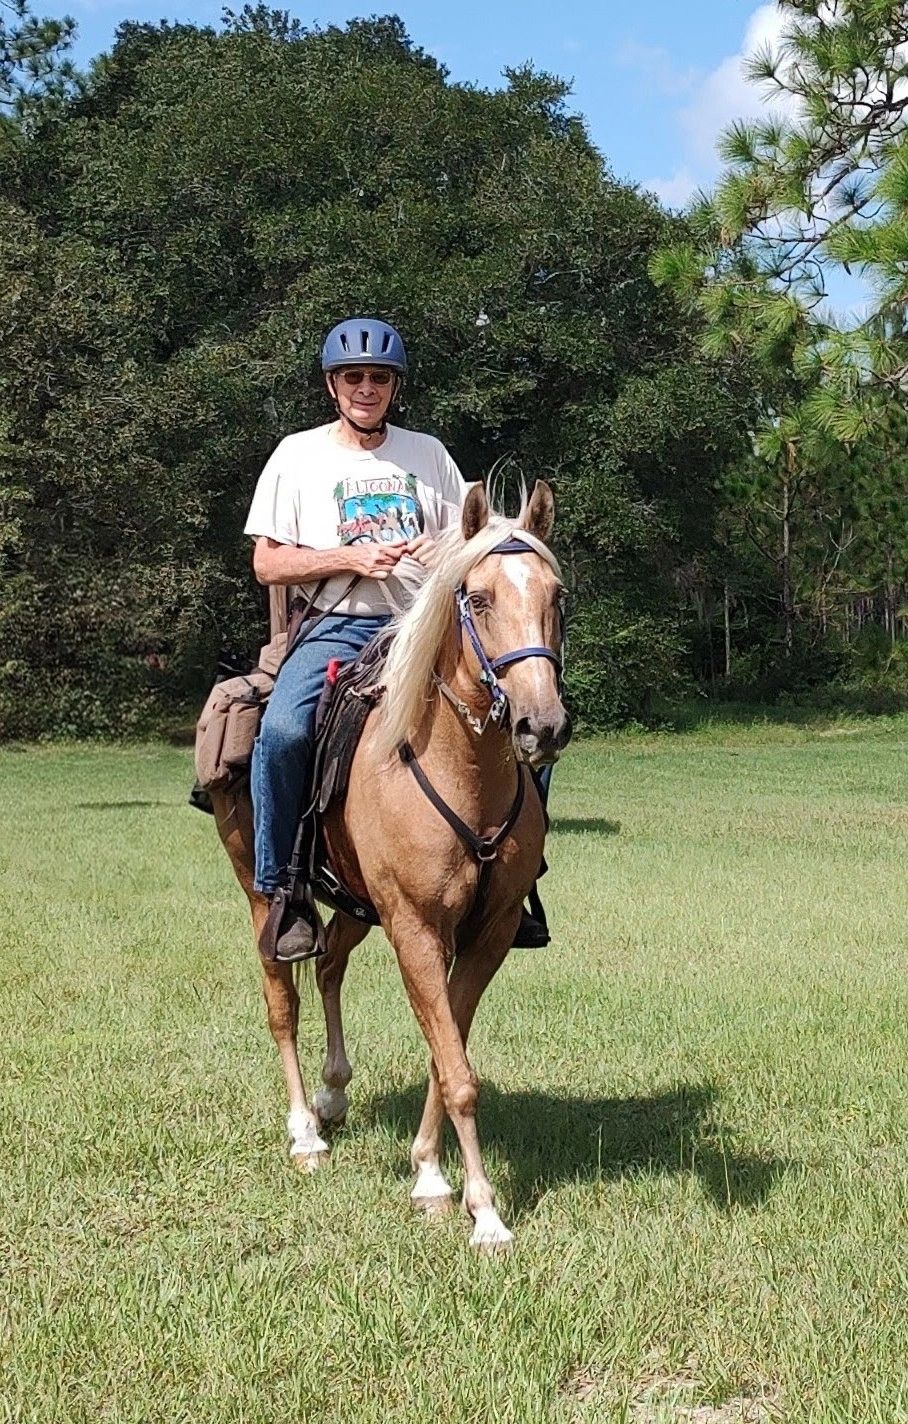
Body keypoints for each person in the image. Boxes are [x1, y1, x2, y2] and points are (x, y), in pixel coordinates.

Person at [244, 316, 550, 960]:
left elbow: (476, 537)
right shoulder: (297, 456)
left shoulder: (428, 454)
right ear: (333, 386)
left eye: (378, 378)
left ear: (394, 386)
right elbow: (268, 563)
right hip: (337, 624)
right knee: (283, 734)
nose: (365, 388)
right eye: (352, 377)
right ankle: (285, 891)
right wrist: (347, 558)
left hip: (422, 623)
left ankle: (517, 881)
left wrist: (437, 545)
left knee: (524, 710)